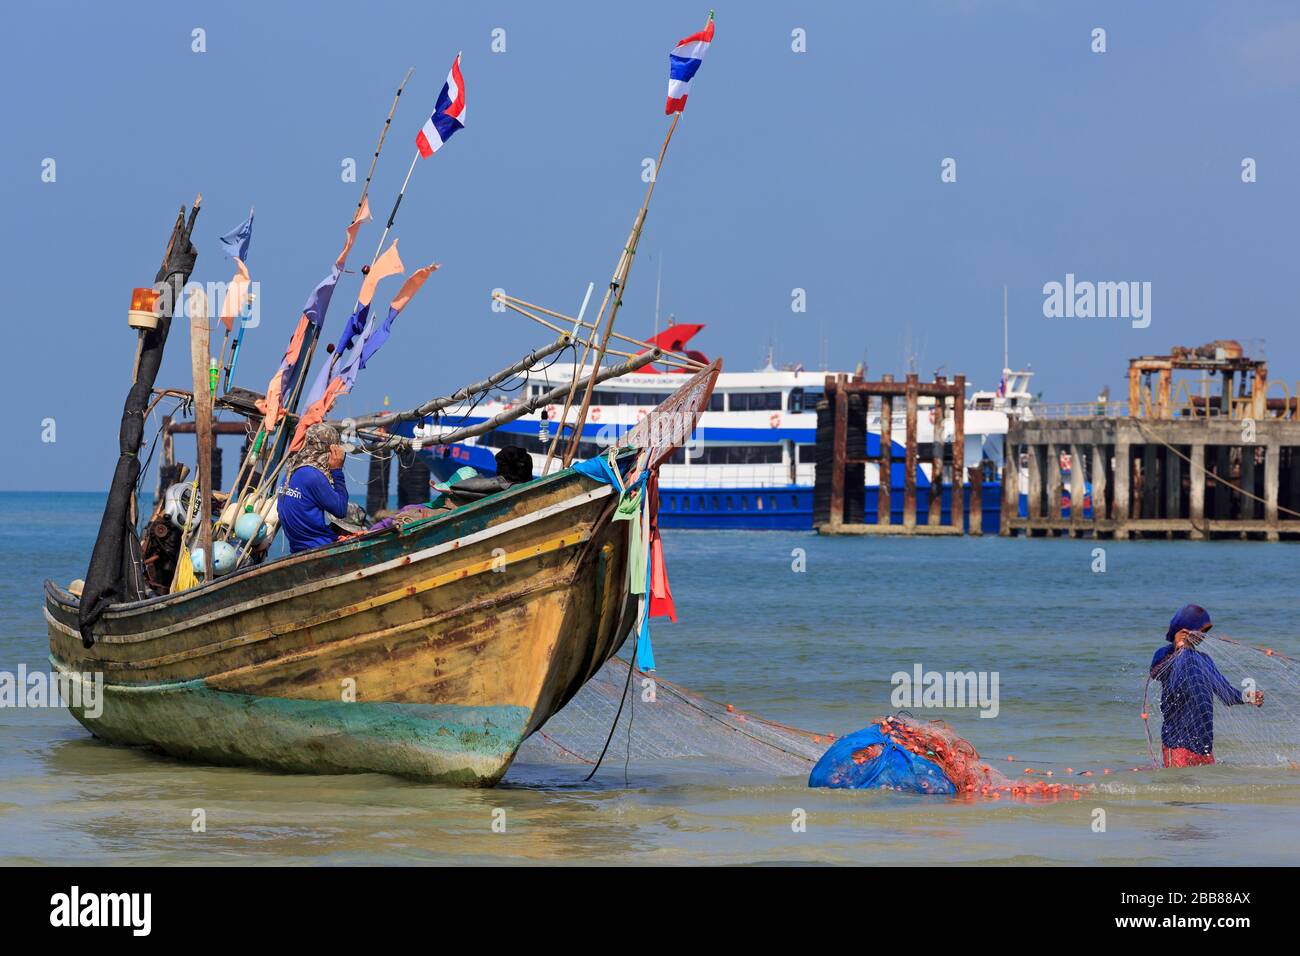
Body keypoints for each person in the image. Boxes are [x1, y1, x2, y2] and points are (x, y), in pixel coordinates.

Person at [1150, 604, 1263, 767]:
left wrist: (1249, 697)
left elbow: (1227, 694)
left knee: (1206, 786)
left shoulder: (1205, 660)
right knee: (1178, 786)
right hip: (1176, 743)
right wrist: (1178, 648)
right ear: (1184, 630)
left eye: (1205, 633)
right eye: (1201, 631)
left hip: (1204, 745)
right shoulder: (1165, 653)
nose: (1203, 636)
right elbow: (1156, 673)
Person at [278, 423, 349, 553]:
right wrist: (337, 470)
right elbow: (341, 510)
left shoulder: (292, 470)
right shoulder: (312, 476)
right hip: (316, 546)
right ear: (331, 449)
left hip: (297, 547)